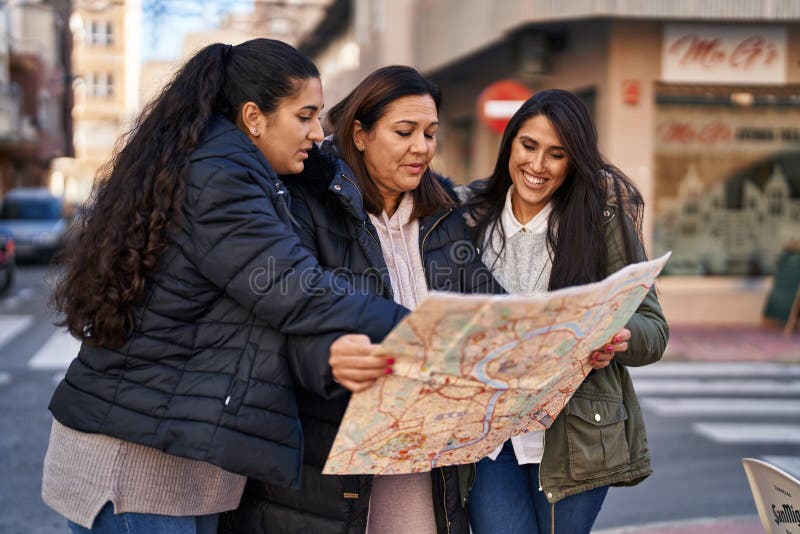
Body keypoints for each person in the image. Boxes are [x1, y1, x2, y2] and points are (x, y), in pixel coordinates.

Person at [41, 39, 406, 534]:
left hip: (175, 456)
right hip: (134, 469)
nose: (319, 133)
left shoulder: (236, 171)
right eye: (305, 116)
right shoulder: (219, 177)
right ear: (254, 117)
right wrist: (421, 329)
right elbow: (291, 288)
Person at [219, 66, 503, 534]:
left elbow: (484, 301)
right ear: (361, 134)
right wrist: (329, 362)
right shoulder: (306, 206)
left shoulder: (444, 214)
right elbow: (278, 325)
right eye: (404, 132)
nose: (422, 147)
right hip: (333, 461)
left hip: (430, 462)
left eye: (431, 133)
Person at [461, 89, 669, 534]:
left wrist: (616, 335)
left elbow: (653, 328)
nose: (537, 166)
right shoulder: (469, 215)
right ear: (510, 143)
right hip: (487, 436)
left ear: (573, 161)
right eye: (528, 146)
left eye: (556, 154)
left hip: (575, 437)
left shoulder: (602, 221)